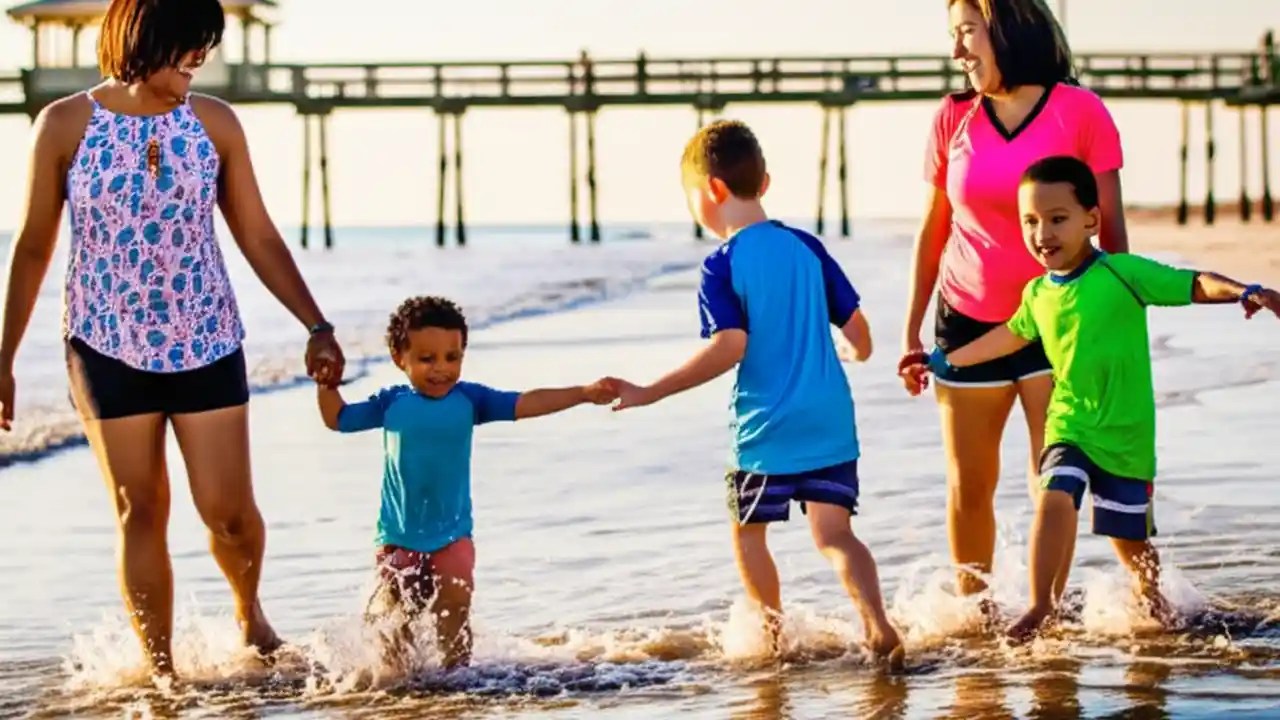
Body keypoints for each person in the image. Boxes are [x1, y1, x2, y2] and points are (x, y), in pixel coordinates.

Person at [0, 0, 345, 678]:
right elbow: (35, 245)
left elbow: (258, 233)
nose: (200, 61)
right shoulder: (65, 123)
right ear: (146, 38)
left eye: (205, 49)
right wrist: (4, 356)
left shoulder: (214, 124)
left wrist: (317, 323)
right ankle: (161, 672)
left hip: (206, 336)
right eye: (190, 47)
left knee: (228, 513)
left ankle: (250, 614)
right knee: (140, 509)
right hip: (103, 342)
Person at [903, 155, 1280, 642]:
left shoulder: (1123, 274)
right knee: (1055, 491)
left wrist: (1243, 290)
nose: (1043, 234)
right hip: (1070, 425)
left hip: (1125, 434)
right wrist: (940, 361)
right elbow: (1007, 337)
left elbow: (1193, 283)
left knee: (1130, 541)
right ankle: (1042, 606)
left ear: (1092, 220)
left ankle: (1156, 604)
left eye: (1057, 219)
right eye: (1031, 222)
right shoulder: (1037, 293)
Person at [608, 120, 903, 664]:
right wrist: (851, 356)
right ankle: (878, 625)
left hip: (765, 428)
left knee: (749, 534)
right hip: (829, 419)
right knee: (836, 535)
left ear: (712, 192)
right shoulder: (806, 247)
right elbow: (860, 336)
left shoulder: (722, 263)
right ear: (763, 183)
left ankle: (771, 639)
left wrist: (650, 391)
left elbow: (730, 347)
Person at [898, 0, 1130, 609]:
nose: (958, 51)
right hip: (966, 320)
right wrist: (911, 331)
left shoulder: (1081, 111)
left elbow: (1112, 231)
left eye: (967, 32)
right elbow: (933, 228)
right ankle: (976, 619)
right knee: (968, 486)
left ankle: (1041, 616)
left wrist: (1110, 324)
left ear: (1005, 26)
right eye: (954, 36)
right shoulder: (953, 118)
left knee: (1050, 484)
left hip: (1058, 321)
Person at [317, 295, 617, 670]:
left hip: (453, 534)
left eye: (452, 357)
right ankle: (396, 688)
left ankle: (455, 680)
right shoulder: (390, 403)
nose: (441, 369)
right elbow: (339, 419)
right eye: (427, 359)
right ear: (399, 357)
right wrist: (325, 384)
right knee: (395, 624)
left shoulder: (471, 400)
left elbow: (526, 402)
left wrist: (583, 393)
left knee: (455, 609)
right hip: (396, 536)